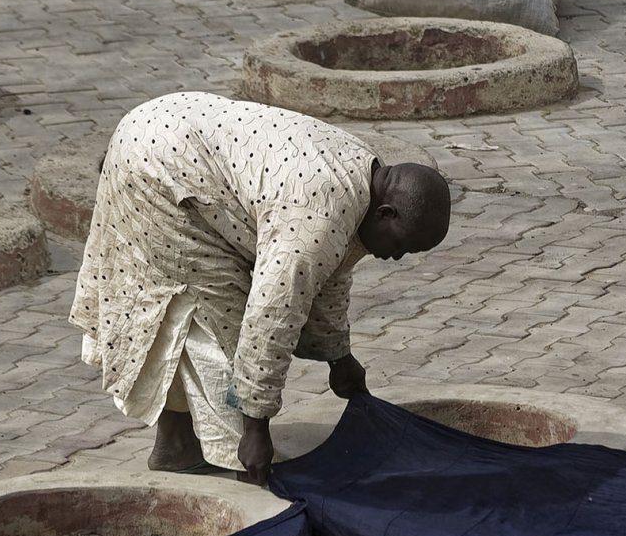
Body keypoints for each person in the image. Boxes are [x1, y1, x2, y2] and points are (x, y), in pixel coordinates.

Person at [70, 92, 451, 485]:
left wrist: (339, 357)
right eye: (403, 245)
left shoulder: (362, 178)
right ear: (386, 213)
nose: (398, 257)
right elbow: (274, 314)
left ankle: (179, 447)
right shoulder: (318, 210)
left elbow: (327, 275)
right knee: (220, 321)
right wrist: (258, 429)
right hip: (159, 170)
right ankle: (233, 456)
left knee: (210, 314)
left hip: (164, 131)